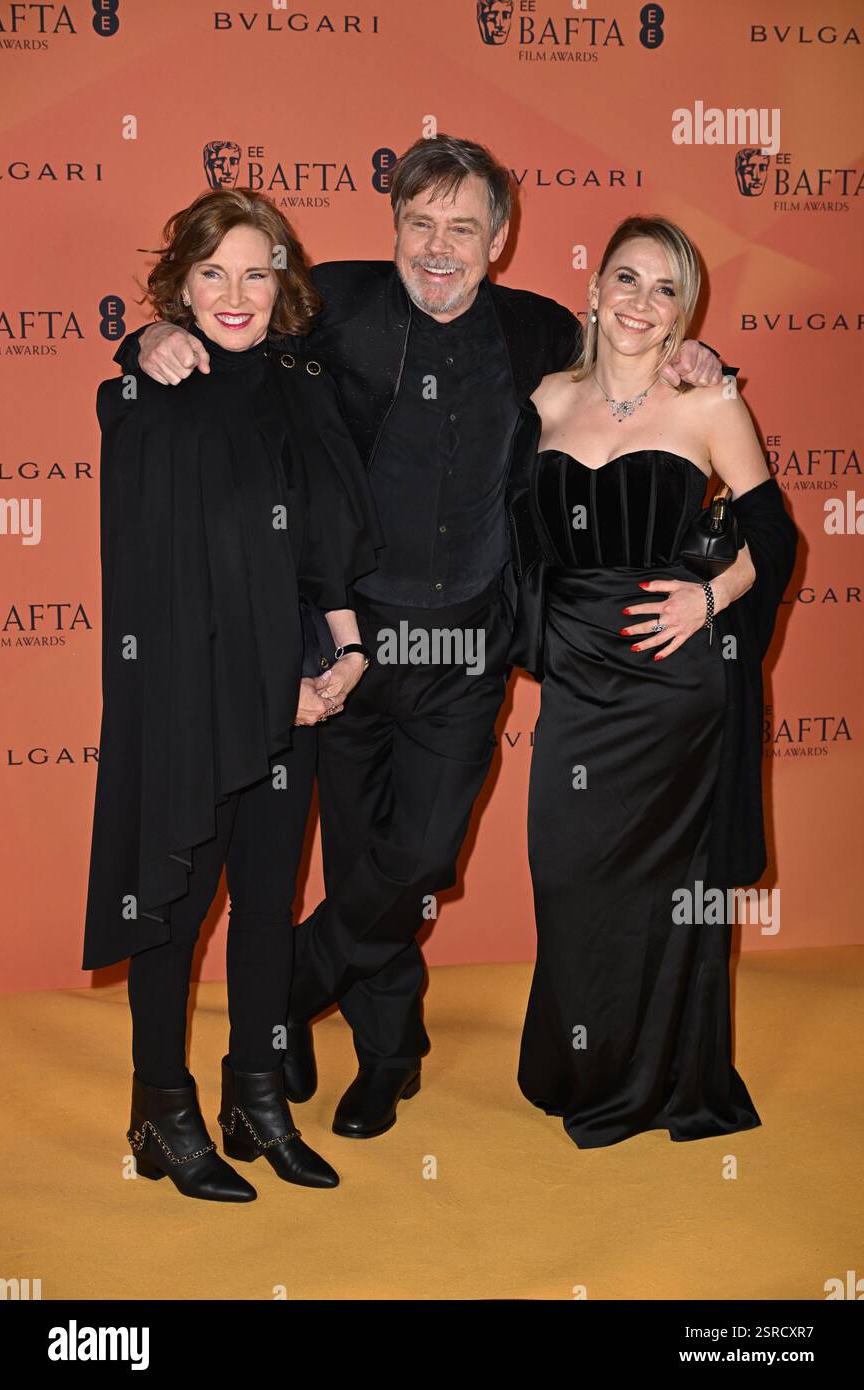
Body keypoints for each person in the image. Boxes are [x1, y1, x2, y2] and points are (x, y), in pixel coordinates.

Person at [116, 135, 742, 1141]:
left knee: (410, 859)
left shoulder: (537, 331)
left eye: (463, 227)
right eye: (420, 223)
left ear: (499, 239)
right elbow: (220, 310)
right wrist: (143, 342)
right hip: (350, 641)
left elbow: (627, 355)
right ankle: (388, 1055)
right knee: (363, 852)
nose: (438, 246)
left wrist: (692, 353)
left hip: (465, 647)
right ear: (394, 228)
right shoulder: (334, 306)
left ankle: (279, 999)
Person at [82, 188, 382, 1200]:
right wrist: (142, 344)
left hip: (298, 682)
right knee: (173, 905)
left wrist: (344, 649)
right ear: (179, 284)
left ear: (283, 281)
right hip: (197, 695)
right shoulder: (153, 390)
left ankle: (256, 1101)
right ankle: (160, 1110)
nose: (236, 293)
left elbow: (325, 538)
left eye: (256, 271)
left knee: (265, 907)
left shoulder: (302, 382)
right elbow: (161, 576)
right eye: (213, 273)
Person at [509, 215, 797, 1146]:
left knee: (666, 891)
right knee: (567, 873)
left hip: (674, 685)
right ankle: (585, 1061)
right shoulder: (543, 401)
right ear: (593, 290)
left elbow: (774, 538)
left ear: (684, 314)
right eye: (627, 280)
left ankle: (659, 1081)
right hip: (576, 682)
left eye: (665, 289)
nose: (641, 302)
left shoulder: (711, 405)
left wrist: (708, 602)